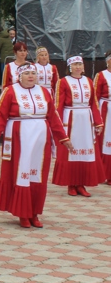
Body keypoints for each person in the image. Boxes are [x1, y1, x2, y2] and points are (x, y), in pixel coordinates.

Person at [0, 62, 73, 228]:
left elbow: (53, 117)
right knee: (22, 173)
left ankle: (35, 212)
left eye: (33, 73)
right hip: (20, 137)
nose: (31, 76)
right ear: (19, 76)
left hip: (41, 138)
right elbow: (0, 114)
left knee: (38, 174)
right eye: (27, 74)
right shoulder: (10, 91)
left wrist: (63, 138)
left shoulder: (44, 92)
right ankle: (23, 213)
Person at [51, 56, 104, 196]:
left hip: (86, 120)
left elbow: (94, 103)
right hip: (71, 119)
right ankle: (71, 184)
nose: (78, 67)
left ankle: (81, 184)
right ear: (70, 67)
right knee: (70, 152)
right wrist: (58, 125)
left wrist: (98, 122)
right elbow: (59, 104)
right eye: (75, 64)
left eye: (80, 64)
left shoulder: (89, 81)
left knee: (85, 151)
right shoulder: (63, 82)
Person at [95, 50, 111, 184]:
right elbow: (95, 97)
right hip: (106, 110)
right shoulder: (101, 76)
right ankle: (104, 173)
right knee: (105, 141)